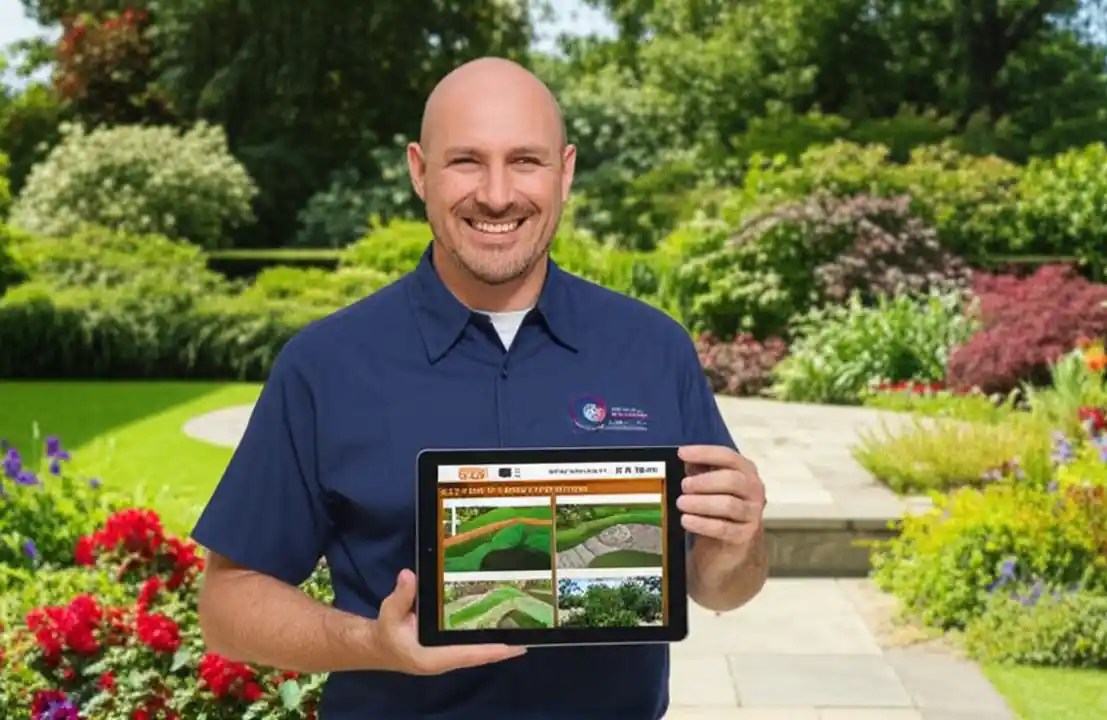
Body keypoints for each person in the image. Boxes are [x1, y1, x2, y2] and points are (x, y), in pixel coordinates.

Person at [191, 57, 769, 719]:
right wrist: (370, 643)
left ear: (565, 171)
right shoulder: (325, 365)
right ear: (419, 172)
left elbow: (721, 588)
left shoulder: (653, 349)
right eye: (467, 161)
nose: (497, 195)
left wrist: (737, 546)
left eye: (525, 161)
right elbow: (227, 605)